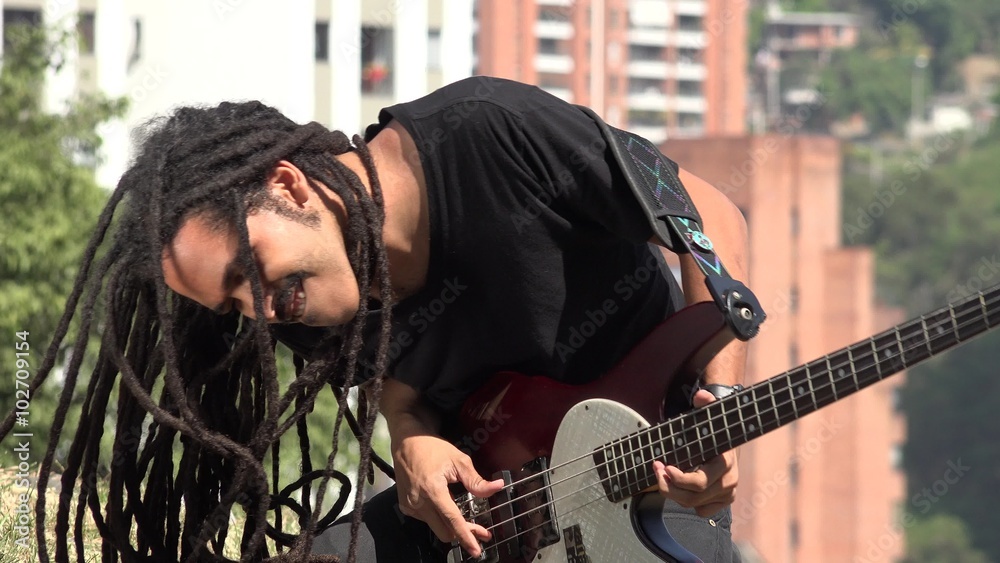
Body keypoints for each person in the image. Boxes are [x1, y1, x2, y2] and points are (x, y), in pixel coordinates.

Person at [6, 76, 747, 562]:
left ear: (289, 184)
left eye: (248, 273)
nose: (260, 311)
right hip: (495, 515)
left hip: (645, 482)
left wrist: (718, 392)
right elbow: (397, 371)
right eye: (233, 305)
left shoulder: (488, 135)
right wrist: (415, 437)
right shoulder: (299, 293)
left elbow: (704, 210)